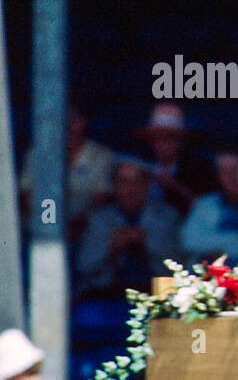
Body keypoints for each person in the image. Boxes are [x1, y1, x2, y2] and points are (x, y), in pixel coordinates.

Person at [76, 159, 181, 300]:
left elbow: (178, 263)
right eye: (124, 181)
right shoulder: (99, 218)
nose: (131, 188)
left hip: (157, 293)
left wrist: (145, 240)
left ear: (147, 184)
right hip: (106, 292)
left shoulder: (167, 215)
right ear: (114, 185)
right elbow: (84, 265)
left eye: (138, 181)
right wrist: (111, 246)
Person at [19, 100, 116, 246]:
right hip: (40, 227)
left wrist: (73, 228)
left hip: (84, 230)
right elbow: (26, 196)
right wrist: (49, 226)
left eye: (73, 119)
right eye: (61, 118)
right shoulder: (37, 153)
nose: (67, 124)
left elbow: (100, 201)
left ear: (83, 121)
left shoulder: (101, 155)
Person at [135, 105, 216, 215]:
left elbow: (209, 210)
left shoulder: (200, 168)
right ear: (151, 140)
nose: (163, 144)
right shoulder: (138, 164)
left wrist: (174, 187)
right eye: (158, 137)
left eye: (170, 138)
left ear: (181, 141)